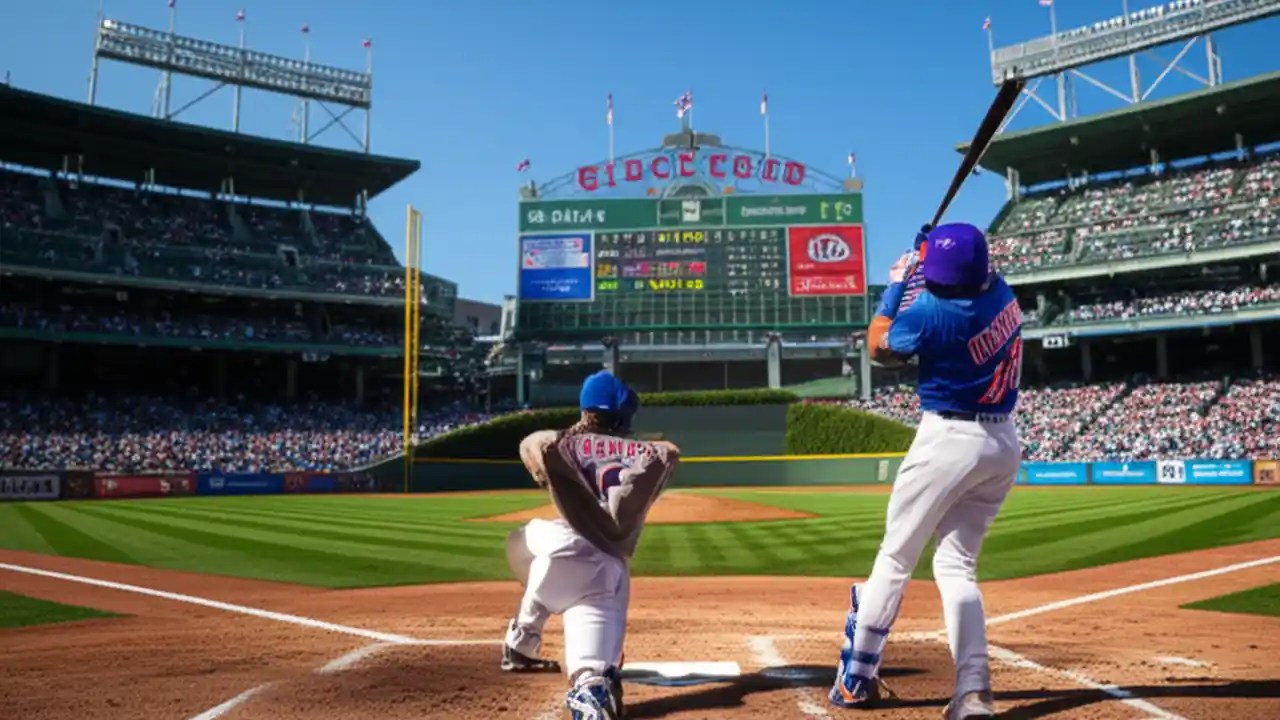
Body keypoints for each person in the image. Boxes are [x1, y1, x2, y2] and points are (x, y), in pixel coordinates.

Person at [829, 223, 1023, 720]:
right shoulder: (1002, 292)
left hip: (947, 439)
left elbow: (877, 345)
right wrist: (932, 253)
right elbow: (960, 271)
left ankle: (857, 678)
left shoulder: (933, 313)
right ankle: (973, 693)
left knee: (894, 560)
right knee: (957, 567)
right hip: (1002, 442)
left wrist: (897, 280)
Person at [501, 370, 680, 720]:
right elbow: (670, 453)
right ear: (624, 414)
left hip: (550, 551)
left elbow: (531, 445)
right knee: (591, 673)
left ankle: (521, 640)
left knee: (524, 541)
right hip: (602, 569)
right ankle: (591, 683)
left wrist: (570, 444)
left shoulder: (557, 443)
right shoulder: (650, 453)